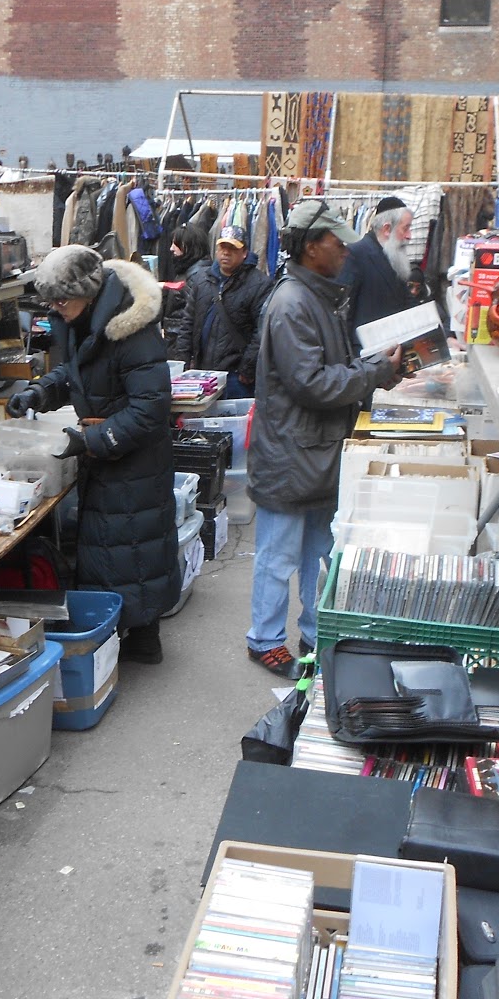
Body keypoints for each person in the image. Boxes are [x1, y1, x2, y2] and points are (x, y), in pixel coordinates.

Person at [245, 200, 402, 679]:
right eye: (337, 243)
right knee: (278, 555)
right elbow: (312, 383)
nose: (346, 251)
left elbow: (329, 369)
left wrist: (375, 370)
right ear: (312, 248)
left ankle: (316, 632)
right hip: (292, 453)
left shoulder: (319, 295)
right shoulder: (293, 303)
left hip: (317, 448)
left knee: (319, 551)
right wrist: (373, 372)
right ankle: (265, 639)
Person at [7, 245, 178, 664]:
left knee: (135, 545)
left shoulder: (132, 331)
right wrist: (42, 390)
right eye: (51, 301)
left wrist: (93, 442)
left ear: (88, 291)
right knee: (108, 545)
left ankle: (142, 637)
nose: (55, 308)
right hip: (105, 451)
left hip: (134, 457)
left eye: (62, 300)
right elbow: (76, 371)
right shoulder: (80, 321)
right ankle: (118, 632)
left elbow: (150, 409)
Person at [165, 220, 272, 399]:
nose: (226, 253)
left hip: (236, 376)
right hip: (202, 375)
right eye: (222, 247)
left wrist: (246, 369)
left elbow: (261, 332)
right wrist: (182, 364)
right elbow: (187, 324)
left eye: (233, 248)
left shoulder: (259, 284)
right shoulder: (201, 280)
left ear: (244, 252)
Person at [340, 196, 414, 337]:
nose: (410, 236)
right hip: (363, 353)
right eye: (406, 229)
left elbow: (407, 302)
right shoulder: (356, 254)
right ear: (387, 229)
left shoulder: (395, 257)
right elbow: (344, 314)